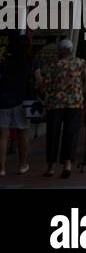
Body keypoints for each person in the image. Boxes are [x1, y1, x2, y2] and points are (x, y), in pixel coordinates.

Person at [36, 39, 86, 179]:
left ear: (59, 51)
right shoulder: (80, 63)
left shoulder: (53, 65)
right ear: (71, 50)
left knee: (53, 134)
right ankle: (67, 164)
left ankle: (51, 167)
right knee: (70, 133)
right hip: (75, 104)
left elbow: (43, 85)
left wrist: (38, 79)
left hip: (55, 104)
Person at [0, 35, 37, 177]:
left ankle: (2, 168)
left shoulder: (4, 61)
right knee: (23, 135)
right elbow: (39, 79)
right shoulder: (30, 61)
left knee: (3, 136)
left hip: (4, 101)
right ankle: (22, 165)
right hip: (23, 102)